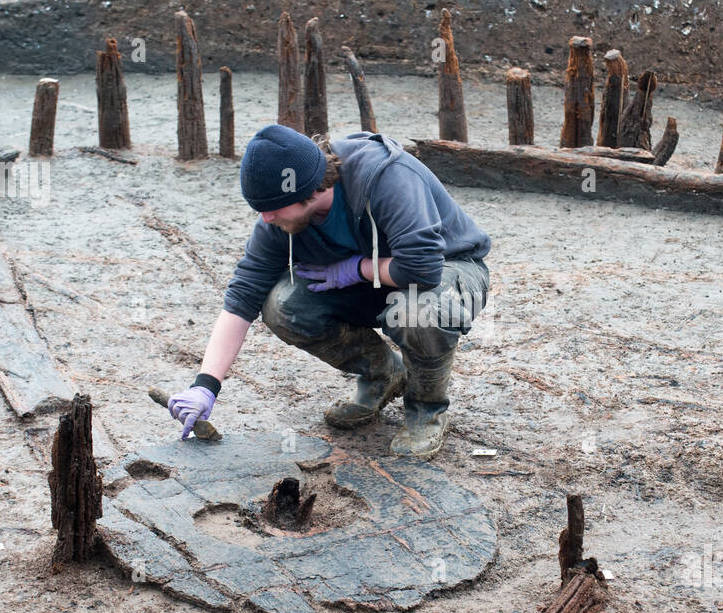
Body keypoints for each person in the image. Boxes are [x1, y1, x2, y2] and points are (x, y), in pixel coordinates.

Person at [167, 123, 492, 460]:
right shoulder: (281, 211)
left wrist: (354, 269)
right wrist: (205, 385)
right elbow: (242, 296)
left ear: (310, 191)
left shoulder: (385, 177)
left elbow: (423, 268)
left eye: (273, 208)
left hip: (450, 271)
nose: (265, 218)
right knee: (283, 306)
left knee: (417, 311)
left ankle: (427, 410)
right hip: (374, 282)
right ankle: (384, 373)